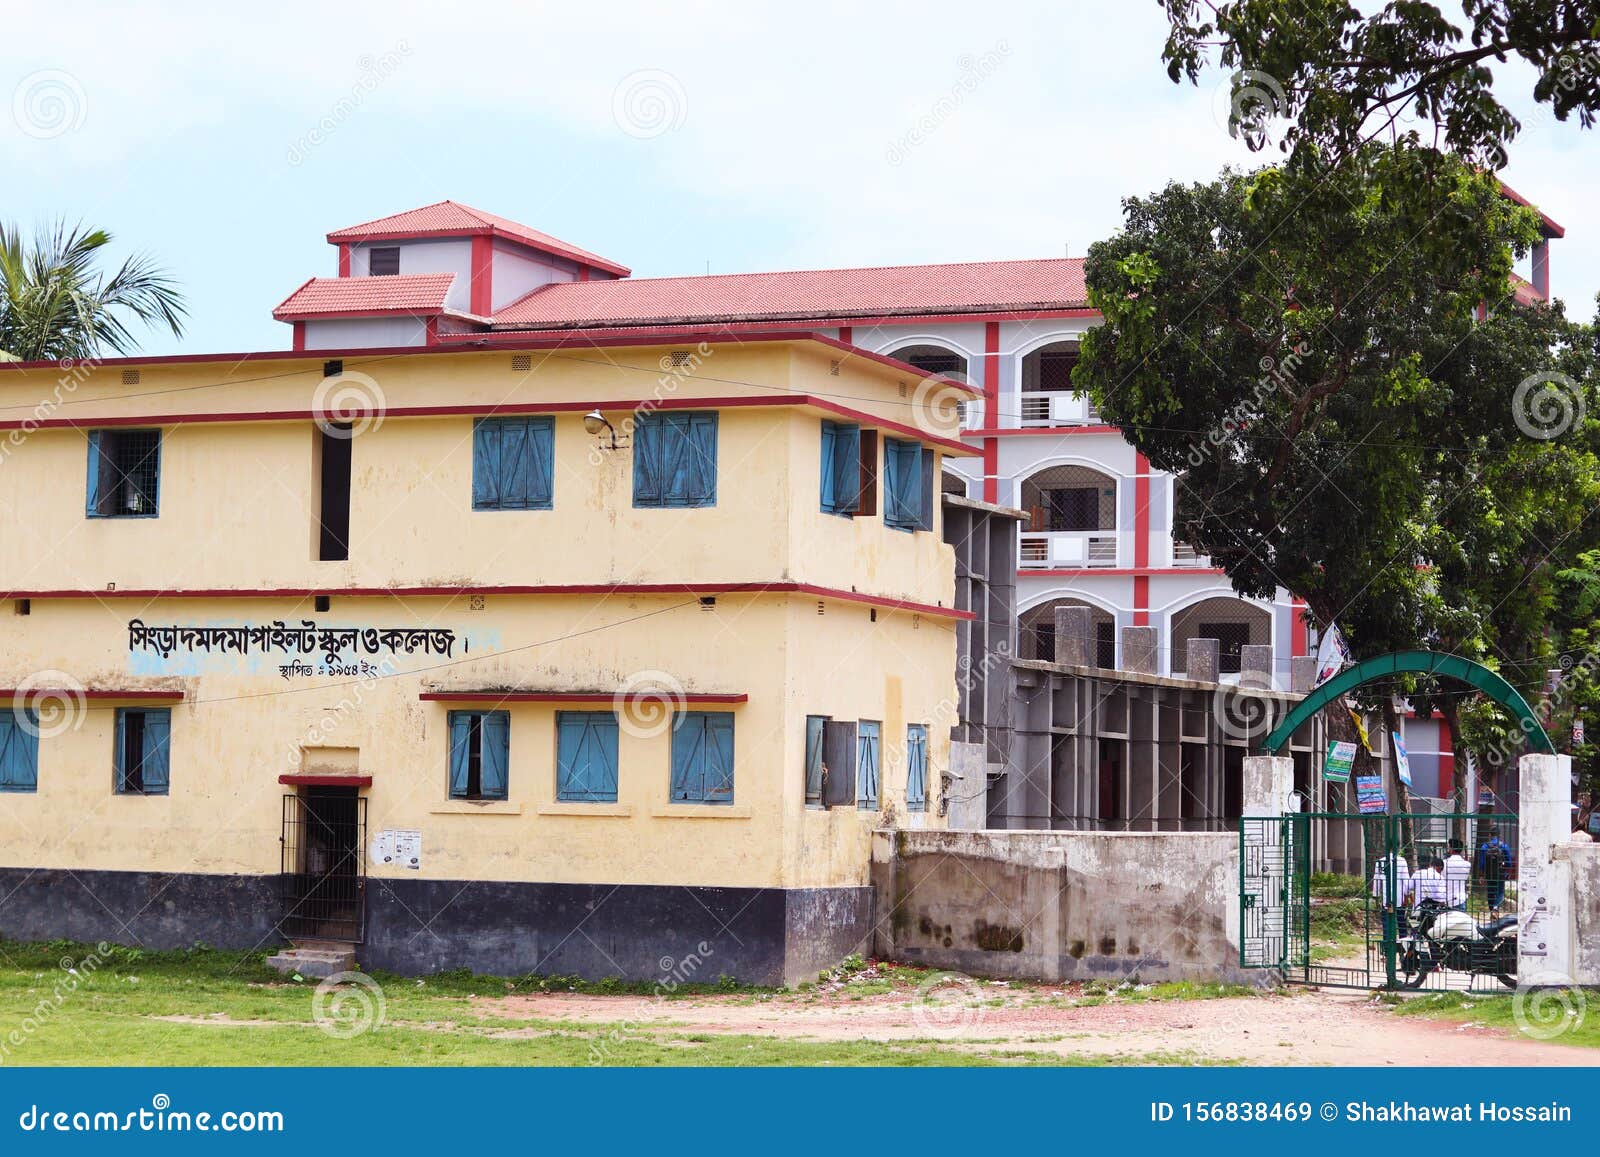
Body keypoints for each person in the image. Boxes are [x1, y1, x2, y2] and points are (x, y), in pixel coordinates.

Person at [1476, 825, 1514, 914]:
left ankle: (1491, 910)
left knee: (1490, 892)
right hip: (1500, 873)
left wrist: (1481, 876)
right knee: (1500, 891)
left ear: (1490, 835)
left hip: (1489, 874)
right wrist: (1507, 872)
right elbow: (1509, 862)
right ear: (1500, 835)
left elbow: (1481, 863)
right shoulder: (1504, 846)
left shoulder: (1484, 847)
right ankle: (1495, 908)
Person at [1442, 838, 1472, 910]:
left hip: (1447, 898)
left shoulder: (1444, 863)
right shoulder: (1467, 864)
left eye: (1448, 846)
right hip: (1461, 898)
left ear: (1451, 849)